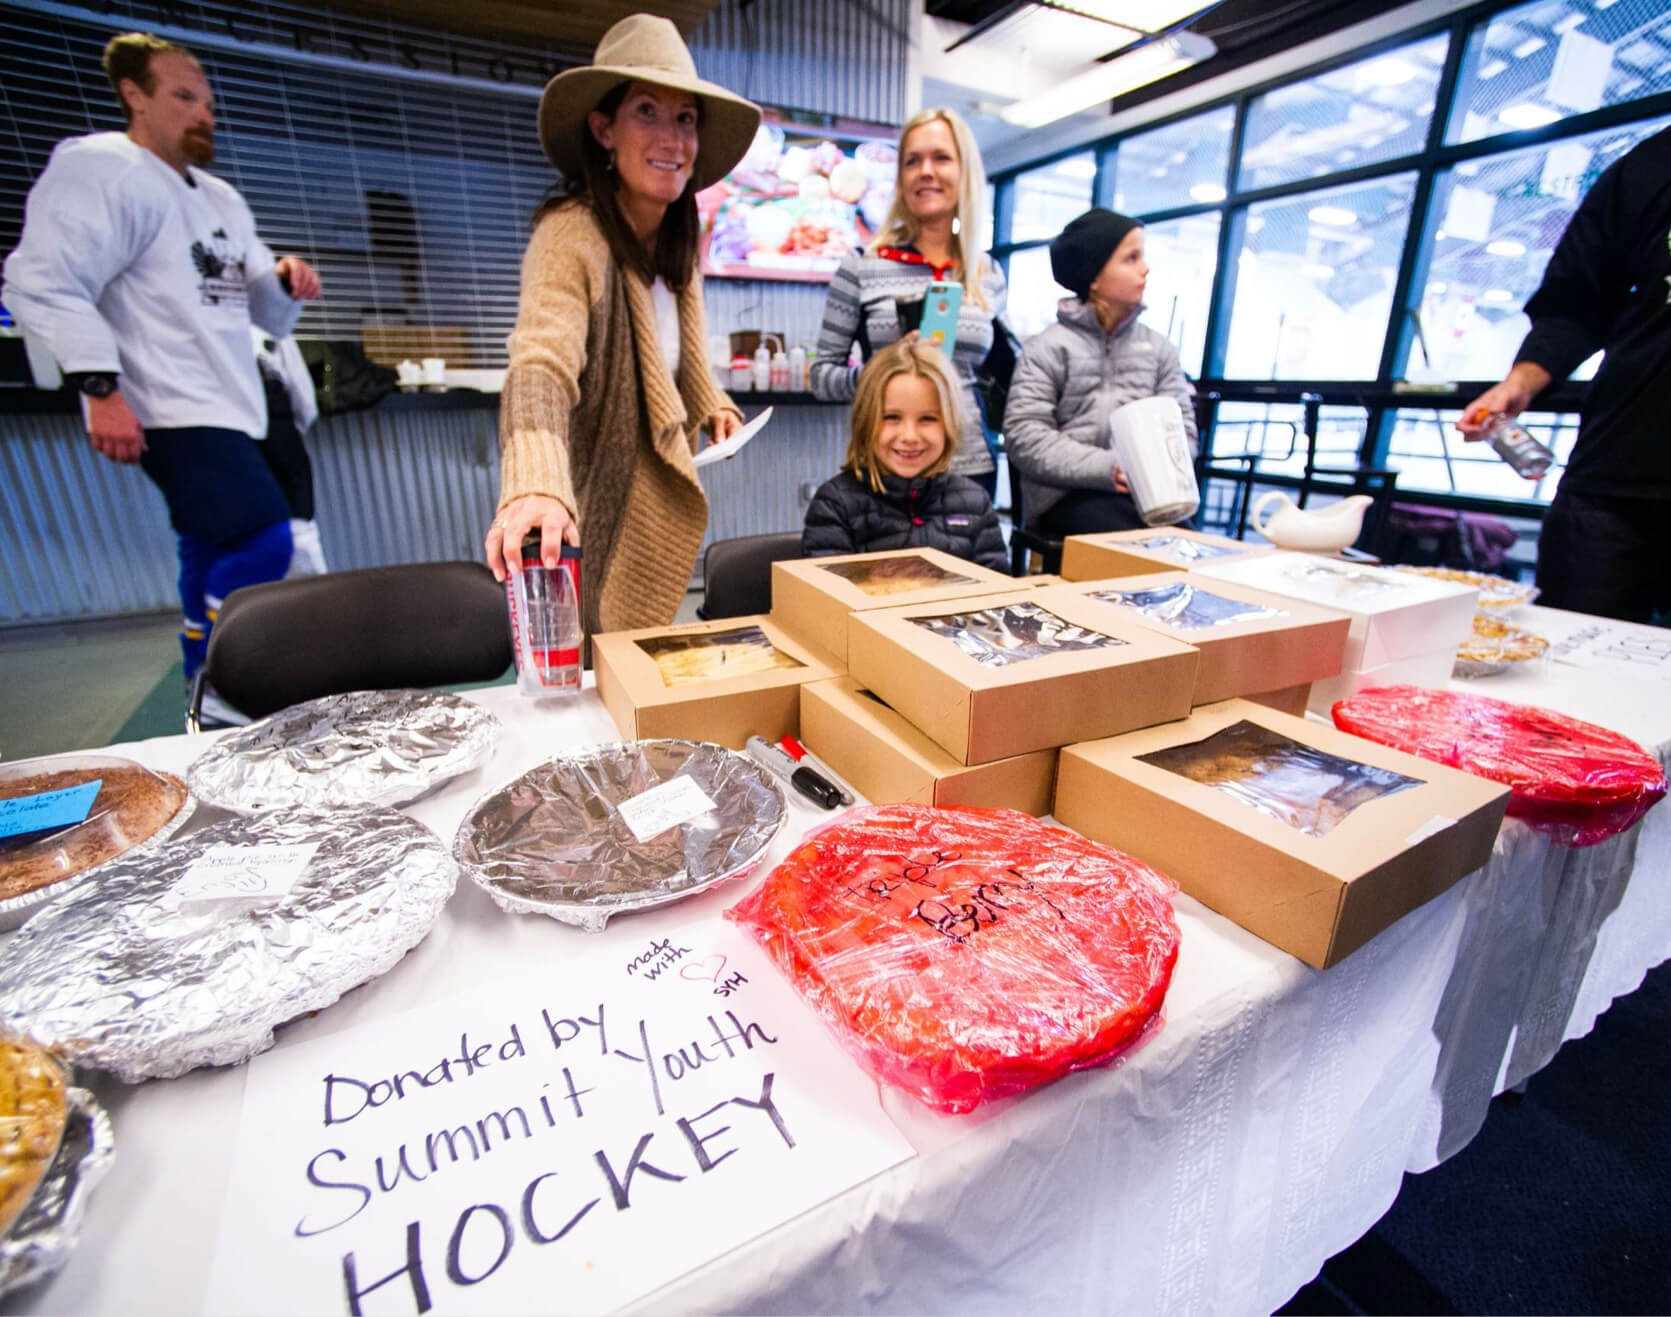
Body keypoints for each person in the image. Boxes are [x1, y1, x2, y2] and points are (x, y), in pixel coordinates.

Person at [2, 32, 323, 690]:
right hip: (166, 401)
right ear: (135, 96)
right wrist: (98, 387)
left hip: (233, 396)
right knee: (265, 537)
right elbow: (43, 281)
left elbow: (261, 309)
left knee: (207, 542)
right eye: (182, 96)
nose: (203, 113)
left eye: (207, 101)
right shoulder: (102, 169)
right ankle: (231, 677)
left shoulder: (220, 199)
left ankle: (198, 672)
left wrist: (285, 277)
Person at [483, 14, 759, 636]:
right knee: (581, 667)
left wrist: (711, 404)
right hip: (585, 500)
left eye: (685, 118)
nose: (672, 138)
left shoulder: (677, 244)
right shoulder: (571, 233)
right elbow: (540, 362)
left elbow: (679, 363)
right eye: (646, 112)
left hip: (648, 497)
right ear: (603, 129)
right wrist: (534, 483)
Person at [1458, 126, 1671, 625]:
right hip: (1616, 478)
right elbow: (1576, 300)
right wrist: (1522, 379)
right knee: (1563, 657)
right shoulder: (1652, 164)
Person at [810, 107, 1006, 497]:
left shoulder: (988, 274)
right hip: (887, 468)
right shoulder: (862, 266)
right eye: (912, 161)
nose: (926, 171)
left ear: (964, 171)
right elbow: (821, 378)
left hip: (970, 467)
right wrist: (883, 369)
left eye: (941, 158)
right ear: (900, 178)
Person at [1004, 208, 1197, 536]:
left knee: (1189, 547)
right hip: (1066, 497)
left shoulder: (1159, 348)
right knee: (1134, 545)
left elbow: (1183, 429)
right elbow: (1024, 435)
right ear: (1093, 276)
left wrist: (1155, 468)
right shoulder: (1047, 348)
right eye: (1131, 258)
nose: (1145, 269)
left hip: (1148, 495)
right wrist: (1111, 468)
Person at [802, 340, 1007, 572]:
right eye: (891, 417)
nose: (910, 436)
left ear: (950, 425)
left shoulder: (975, 503)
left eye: (927, 419)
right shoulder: (835, 505)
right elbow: (825, 600)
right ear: (865, 421)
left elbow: (997, 596)